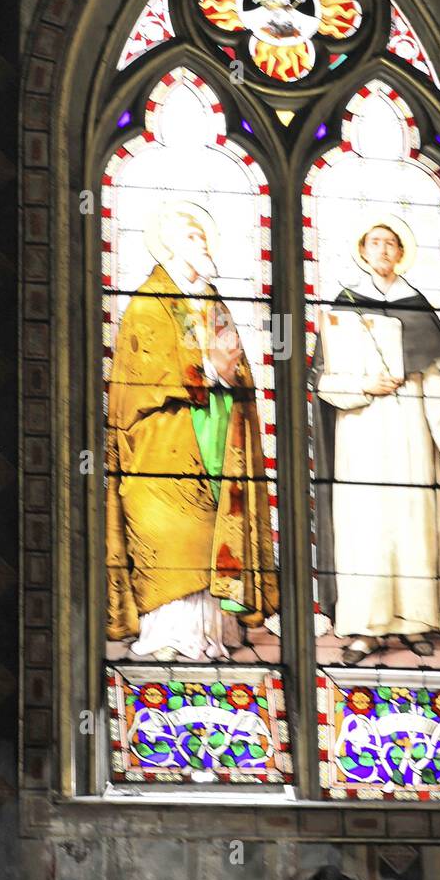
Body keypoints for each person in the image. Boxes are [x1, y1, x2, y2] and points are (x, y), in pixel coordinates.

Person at [105, 200, 278, 661]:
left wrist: (226, 371)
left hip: (221, 437)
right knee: (176, 537)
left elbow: (235, 366)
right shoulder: (147, 303)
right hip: (163, 444)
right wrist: (204, 367)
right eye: (190, 236)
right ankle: (170, 635)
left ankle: (215, 635)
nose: (200, 243)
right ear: (168, 245)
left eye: (203, 236)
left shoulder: (214, 301)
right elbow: (142, 378)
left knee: (220, 532)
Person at [309, 214, 440, 662]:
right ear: (363, 251)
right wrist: (364, 386)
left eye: (391, 244)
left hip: (411, 439)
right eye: (375, 243)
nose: (383, 250)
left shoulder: (417, 307)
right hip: (360, 435)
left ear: (401, 253)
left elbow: (436, 386)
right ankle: (366, 629)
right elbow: (324, 383)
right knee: (366, 532)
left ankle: (416, 623)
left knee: (414, 527)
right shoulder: (343, 306)